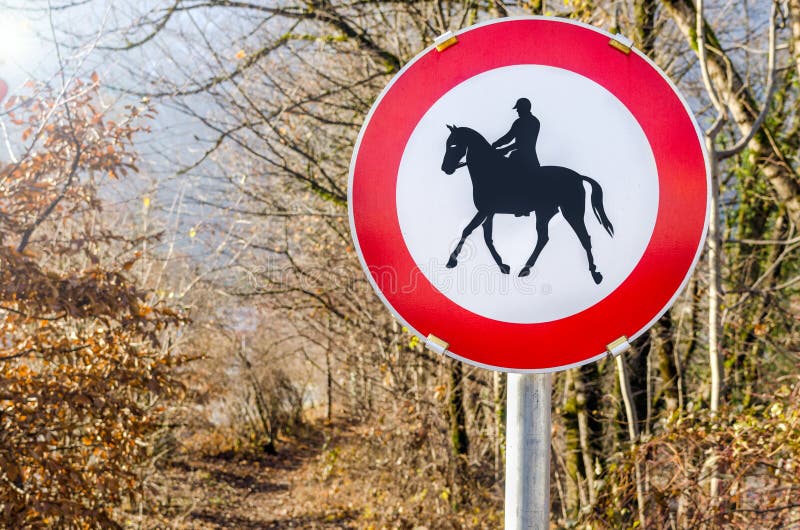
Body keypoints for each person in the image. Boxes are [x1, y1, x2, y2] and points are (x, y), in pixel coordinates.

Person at [491, 97, 541, 215]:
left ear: (523, 108)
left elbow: (522, 143)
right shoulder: (532, 121)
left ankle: (519, 206)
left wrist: (502, 149)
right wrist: (495, 144)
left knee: (507, 177)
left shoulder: (525, 122)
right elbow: (508, 137)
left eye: (518, 109)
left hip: (523, 157)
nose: (517, 111)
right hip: (528, 157)